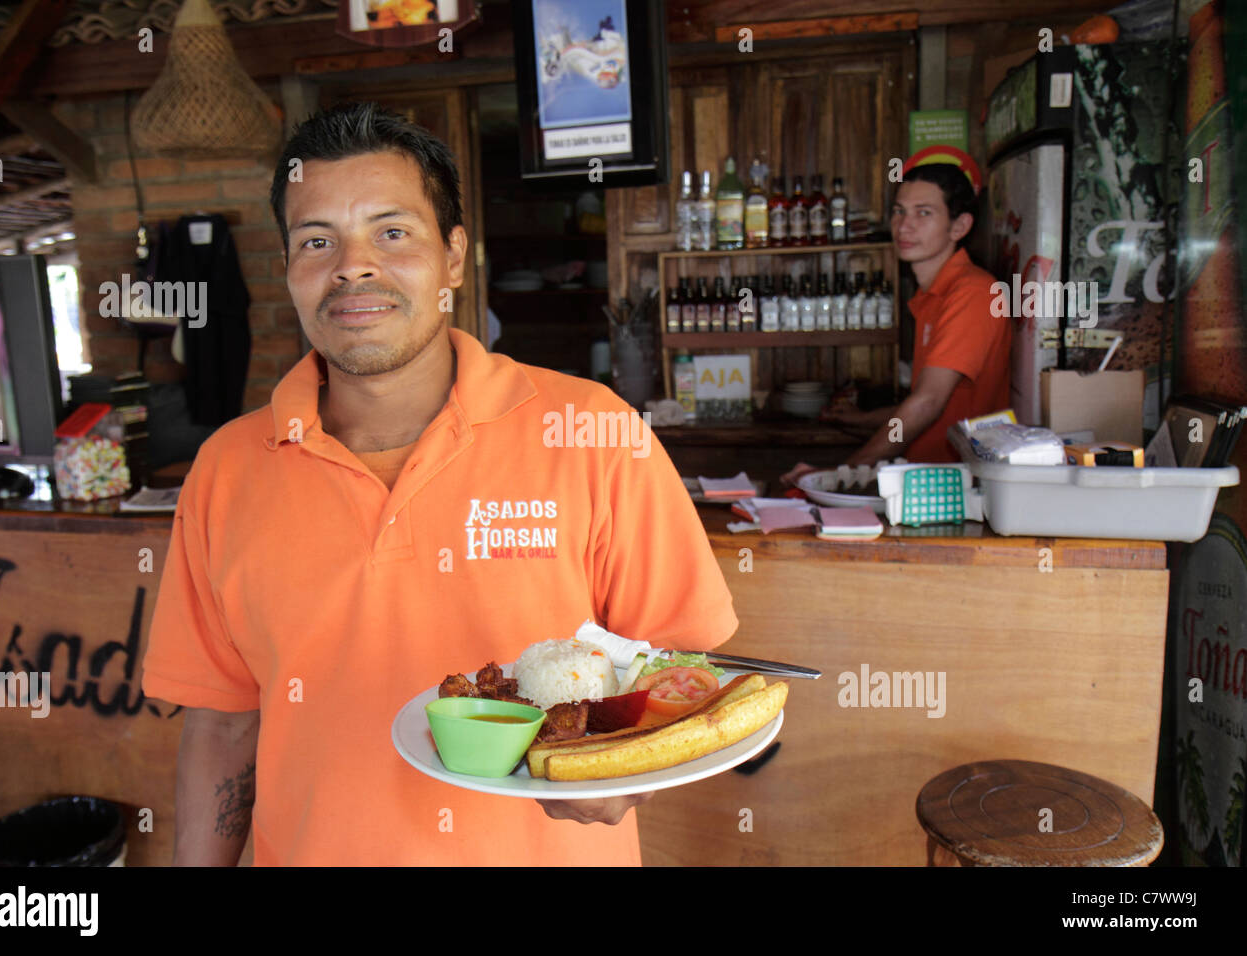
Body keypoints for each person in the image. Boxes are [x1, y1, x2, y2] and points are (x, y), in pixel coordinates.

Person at [141, 102, 738, 866]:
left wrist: (628, 761)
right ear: (288, 268)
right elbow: (222, 725)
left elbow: (680, 665)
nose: (352, 265)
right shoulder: (227, 469)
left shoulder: (595, 430)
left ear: (455, 257)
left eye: (392, 232)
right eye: (316, 241)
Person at [816, 164, 1010, 467]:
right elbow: (927, 402)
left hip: (956, 483)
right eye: (898, 211)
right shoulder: (932, 294)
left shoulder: (974, 292)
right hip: (925, 474)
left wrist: (847, 473)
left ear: (959, 227)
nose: (903, 226)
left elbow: (928, 402)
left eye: (923, 213)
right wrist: (863, 420)